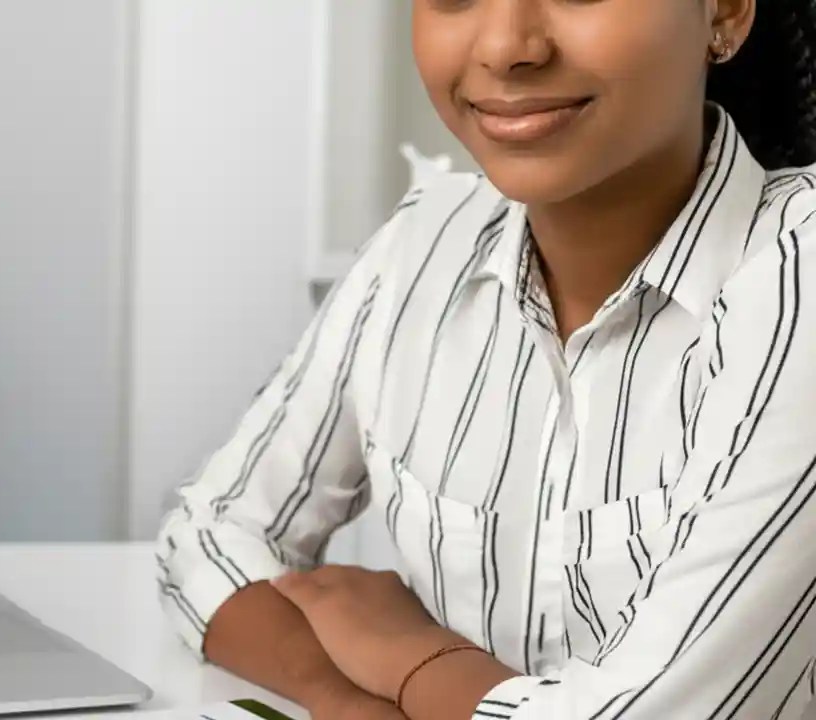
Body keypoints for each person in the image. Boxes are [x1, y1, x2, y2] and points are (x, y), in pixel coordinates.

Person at [156, 0, 816, 718]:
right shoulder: (425, 242)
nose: (506, 48)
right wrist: (342, 699)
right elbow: (209, 537)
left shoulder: (795, 275)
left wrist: (407, 653)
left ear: (724, 9)